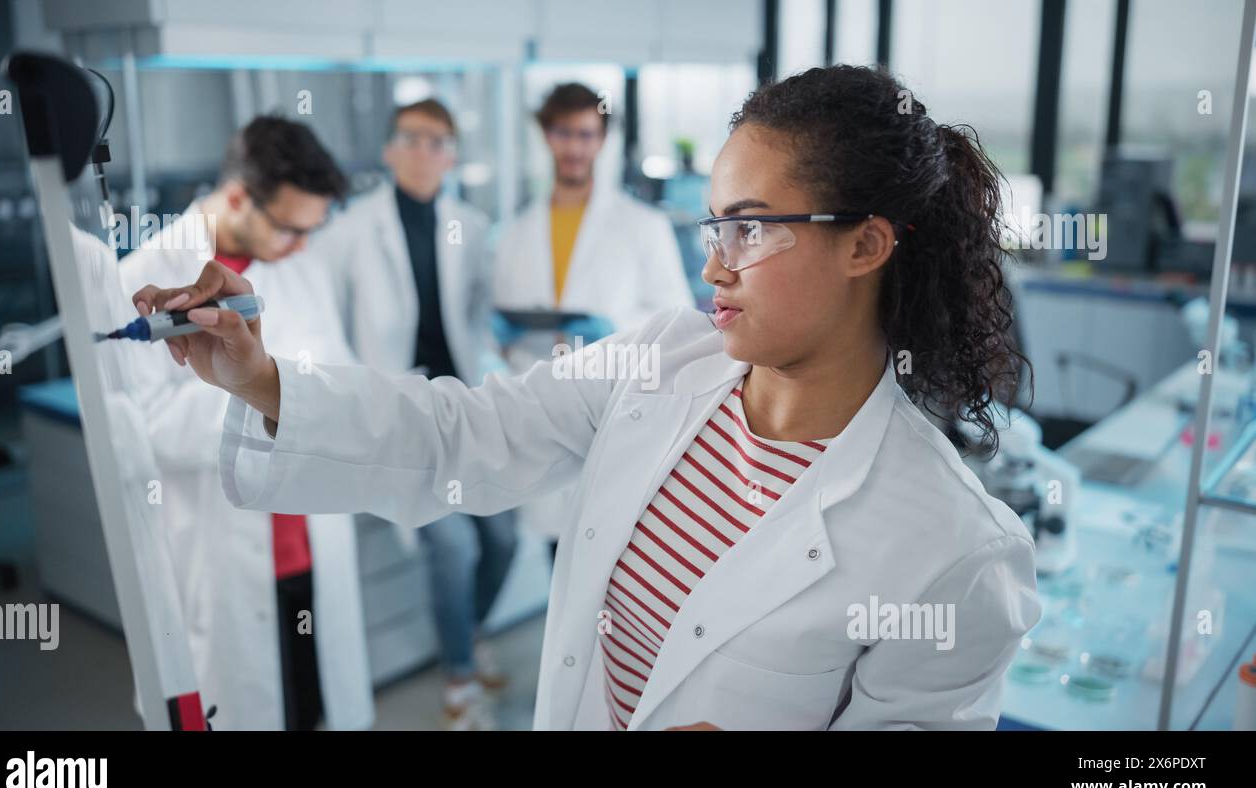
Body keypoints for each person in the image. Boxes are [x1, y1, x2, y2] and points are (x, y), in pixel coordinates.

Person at [134, 66, 1042, 730]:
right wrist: (259, 378)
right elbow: (463, 434)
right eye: (715, 223)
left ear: (866, 245)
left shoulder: (957, 553)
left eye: (751, 227)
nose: (713, 262)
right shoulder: (662, 359)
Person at [119, 115, 373, 731]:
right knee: (247, 709)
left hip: (311, 541)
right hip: (222, 548)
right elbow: (147, 431)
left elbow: (338, 373)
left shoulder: (296, 264)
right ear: (236, 197)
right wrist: (265, 392)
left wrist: (295, 395)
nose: (301, 244)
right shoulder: (143, 278)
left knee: (313, 708)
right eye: (289, 227)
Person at [308, 98, 517, 730]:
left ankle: (469, 632)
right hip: (398, 419)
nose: (425, 152)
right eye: (413, 139)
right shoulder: (347, 232)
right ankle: (460, 680)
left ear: (452, 156)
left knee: (504, 538)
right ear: (390, 149)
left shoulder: (470, 226)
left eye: (438, 142)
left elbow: (479, 318)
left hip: (463, 411)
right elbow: (332, 331)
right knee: (452, 545)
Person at [492, 82, 694, 546]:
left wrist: (612, 330)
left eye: (586, 134)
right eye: (563, 133)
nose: (574, 146)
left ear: (602, 140)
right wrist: (502, 333)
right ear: (547, 137)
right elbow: (500, 339)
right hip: (541, 415)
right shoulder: (515, 233)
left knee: (612, 555)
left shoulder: (643, 226)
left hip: (615, 408)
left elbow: (678, 323)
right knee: (553, 554)